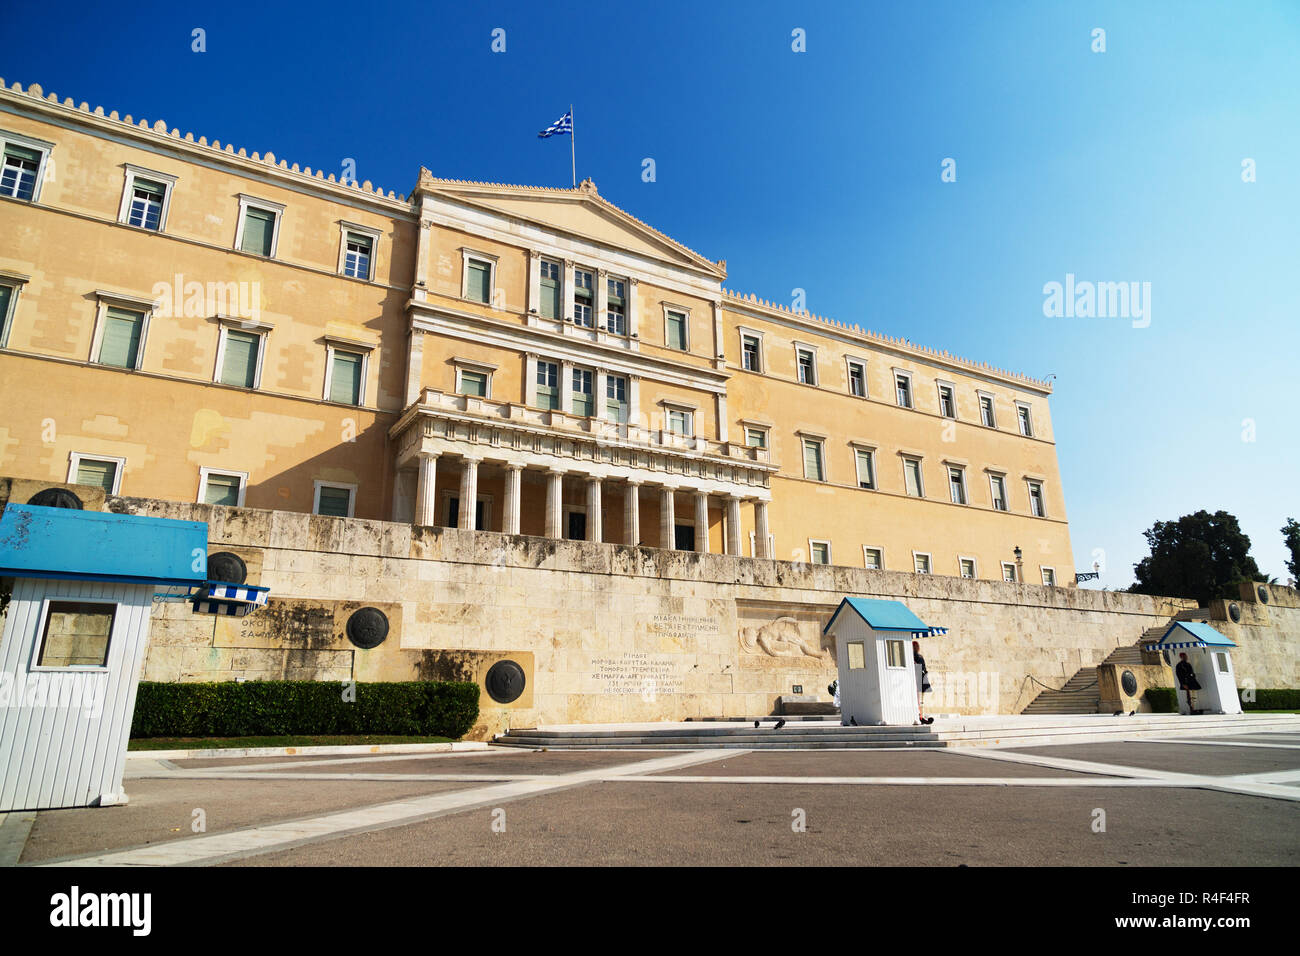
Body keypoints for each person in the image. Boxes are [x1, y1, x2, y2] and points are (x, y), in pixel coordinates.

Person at [913, 640, 934, 725]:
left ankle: (921, 716)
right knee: (920, 701)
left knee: (920, 701)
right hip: (919, 681)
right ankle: (920, 716)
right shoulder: (915, 657)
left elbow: (920, 670)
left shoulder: (918, 657)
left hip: (920, 682)